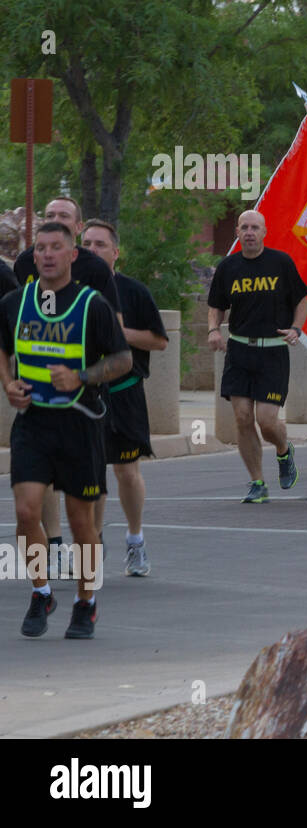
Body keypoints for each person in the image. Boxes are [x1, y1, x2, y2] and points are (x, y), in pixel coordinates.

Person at [3, 222, 131, 638]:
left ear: (72, 255)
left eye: (56, 247)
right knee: (26, 511)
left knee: (80, 523)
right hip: (33, 421)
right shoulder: (15, 302)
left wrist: (82, 376)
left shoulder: (92, 304)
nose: (46, 254)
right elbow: (2, 347)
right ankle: (42, 592)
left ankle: (85, 601)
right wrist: (8, 383)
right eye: (40, 248)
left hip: (80, 422)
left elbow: (123, 360)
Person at [15, 198, 121, 571]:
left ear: (76, 229)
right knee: (35, 487)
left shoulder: (95, 271)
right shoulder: (25, 265)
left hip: (84, 397)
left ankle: (91, 544)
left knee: (87, 489)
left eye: (63, 216)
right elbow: (13, 322)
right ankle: (54, 545)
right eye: (50, 216)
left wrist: (85, 373)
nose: (55, 219)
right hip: (36, 398)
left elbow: (115, 334)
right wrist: (11, 379)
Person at [80, 220, 168, 577]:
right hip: (84, 394)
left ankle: (135, 539)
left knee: (126, 471)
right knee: (91, 473)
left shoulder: (133, 291)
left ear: (115, 252)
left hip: (124, 392)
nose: (92, 250)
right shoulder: (69, 292)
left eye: (100, 244)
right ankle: (93, 542)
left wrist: (118, 333)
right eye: (86, 243)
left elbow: (159, 341)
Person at [207, 210, 307, 503]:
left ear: (264, 232)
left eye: (255, 227)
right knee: (242, 418)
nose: (249, 232)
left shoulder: (281, 263)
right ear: (237, 232)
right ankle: (257, 483)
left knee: (266, 421)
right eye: (245, 227)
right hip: (239, 350)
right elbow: (216, 305)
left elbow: (302, 301)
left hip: (273, 351)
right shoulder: (228, 267)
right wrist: (213, 330)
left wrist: (296, 328)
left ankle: (284, 450)